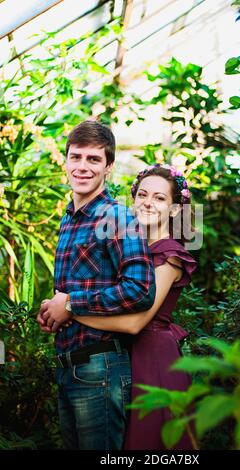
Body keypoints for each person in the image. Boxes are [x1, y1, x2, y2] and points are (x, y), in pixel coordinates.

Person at [37, 119, 156, 450]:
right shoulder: (69, 219)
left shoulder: (117, 217)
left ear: (109, 167)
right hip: (68, 365)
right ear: (65, 161)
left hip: (100, 368)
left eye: (93, 159)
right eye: (76, 157)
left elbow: (141, 290)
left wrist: (72, 304)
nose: (82, 167)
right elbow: (75, 287)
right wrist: (53, 310)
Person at [67, 163, 198, 450]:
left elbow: (135, 322)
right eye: (142, 195)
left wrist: (70, 310)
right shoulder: (128, 246)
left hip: (153, 359)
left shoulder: (170, 255)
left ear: (175, 209)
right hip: (119, 356)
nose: (148, 203)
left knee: (149, 442)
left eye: (160, 198)